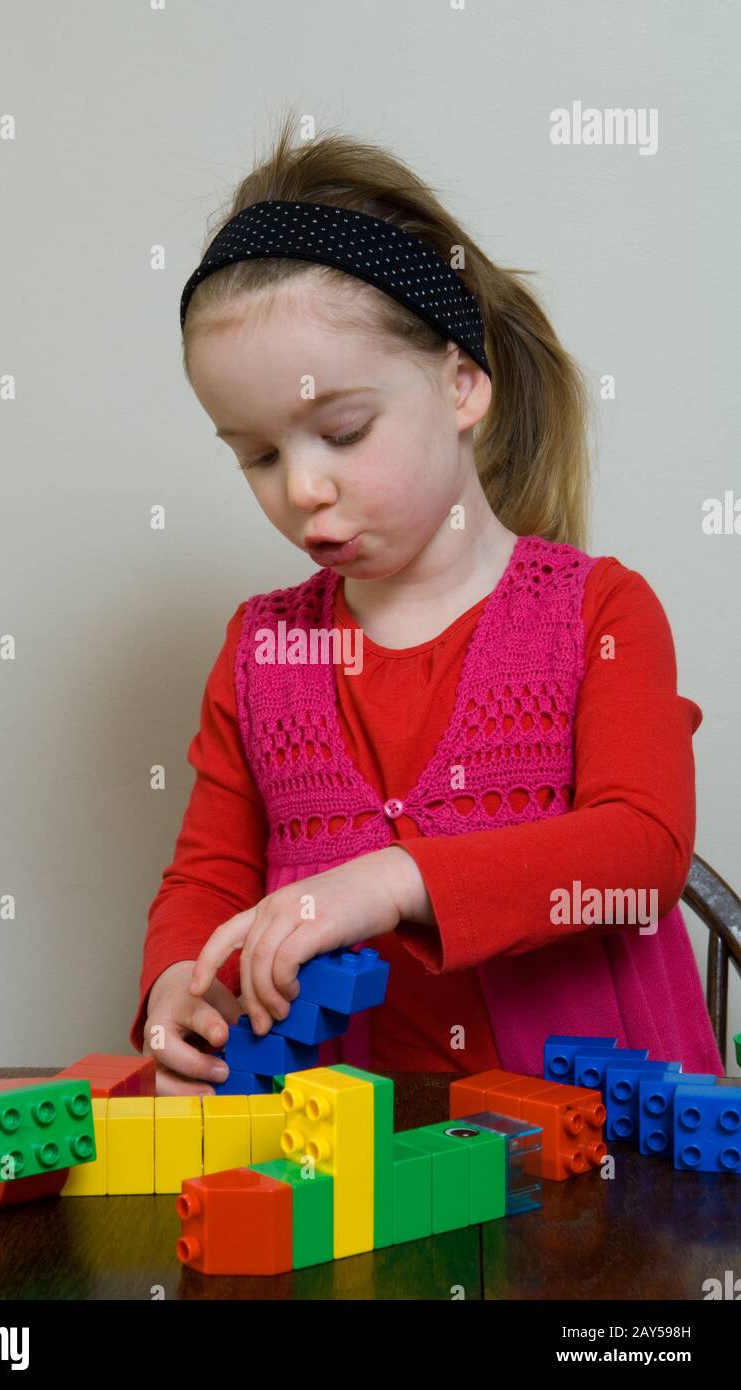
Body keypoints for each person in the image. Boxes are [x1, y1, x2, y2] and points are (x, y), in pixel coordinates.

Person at [131, 112, 723, 1094]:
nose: (301, 489)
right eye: (259, 456)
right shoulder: (258, 648)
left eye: (343, 430)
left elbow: (640, 849)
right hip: (353, 1151)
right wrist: (172, 989)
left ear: (460, 384)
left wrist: (388, 880)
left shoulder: (599, 613)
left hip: (595, 1151)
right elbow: (208, 875)